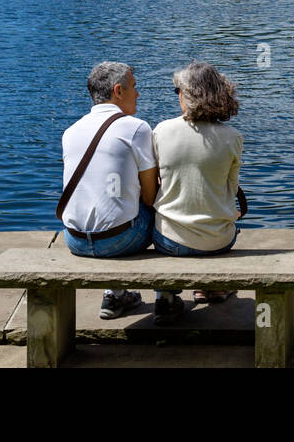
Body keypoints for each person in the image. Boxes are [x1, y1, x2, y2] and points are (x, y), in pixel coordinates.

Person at [149, 60, 247, 324]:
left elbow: (156, 183)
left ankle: (167, 298)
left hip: (170, 242)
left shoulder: (161, 131)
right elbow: (231, 187)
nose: (177, 96)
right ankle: (211, 288)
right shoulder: (233, 137)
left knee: (156, 215)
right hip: (219, 240)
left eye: (177, 90)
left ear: (189, 94)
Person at [59, 61, 159, 319]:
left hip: (75, 239)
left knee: (110, 205)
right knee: (165, 213)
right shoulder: (137, 128)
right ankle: (166, 297)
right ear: (118, 91)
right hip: (120, 240)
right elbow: (150, 197)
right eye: (134, 87)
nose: (138, 93)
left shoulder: (70, 132)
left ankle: (114, 295)